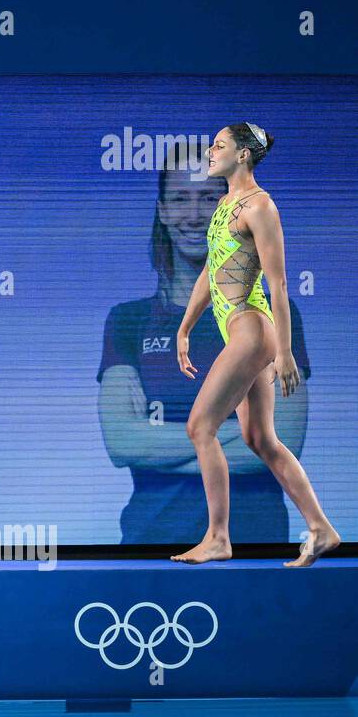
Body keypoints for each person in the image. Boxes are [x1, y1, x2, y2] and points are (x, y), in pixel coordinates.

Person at [97, 142, 310, 545]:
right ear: (162, 211)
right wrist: (239, 437)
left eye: (209, 198)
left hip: (255, 548)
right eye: (180, 199)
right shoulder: (127, 321)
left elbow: (286, 441)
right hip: (151, 544)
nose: (194, 215)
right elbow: (123, 442)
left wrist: (158, 444)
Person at [171, 123, 339, 567]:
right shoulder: (225, 205)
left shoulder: (260, 206)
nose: (210, 151)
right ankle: (321, 528)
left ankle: (218, 537)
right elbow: (212, 270)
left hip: (252, 329)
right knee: (260, 437)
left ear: (243, 155)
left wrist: (283, 352)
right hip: (238, 328)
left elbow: (279, 283)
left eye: (219, 145)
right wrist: (185, 327)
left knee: (199, 427)